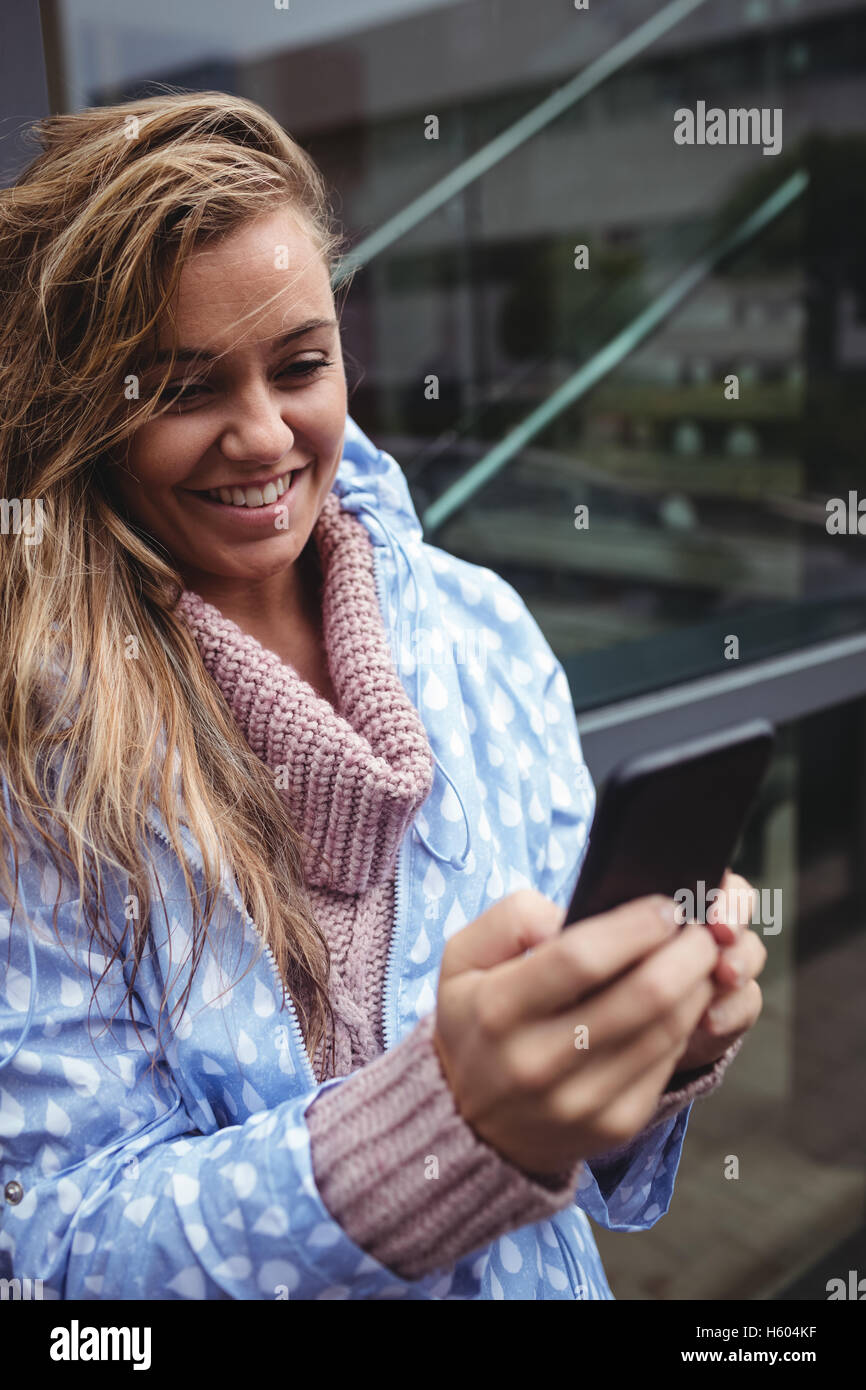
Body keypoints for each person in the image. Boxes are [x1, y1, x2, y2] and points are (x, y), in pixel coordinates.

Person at [0, 91, 766, 1300]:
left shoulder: (483, 635)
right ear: (90, 409)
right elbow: (52, 1261)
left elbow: (590, 1166)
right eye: (187, 389)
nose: (262, 436)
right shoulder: (33, 747)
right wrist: (441, 1124)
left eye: (300, 366)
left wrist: (651, 1048)